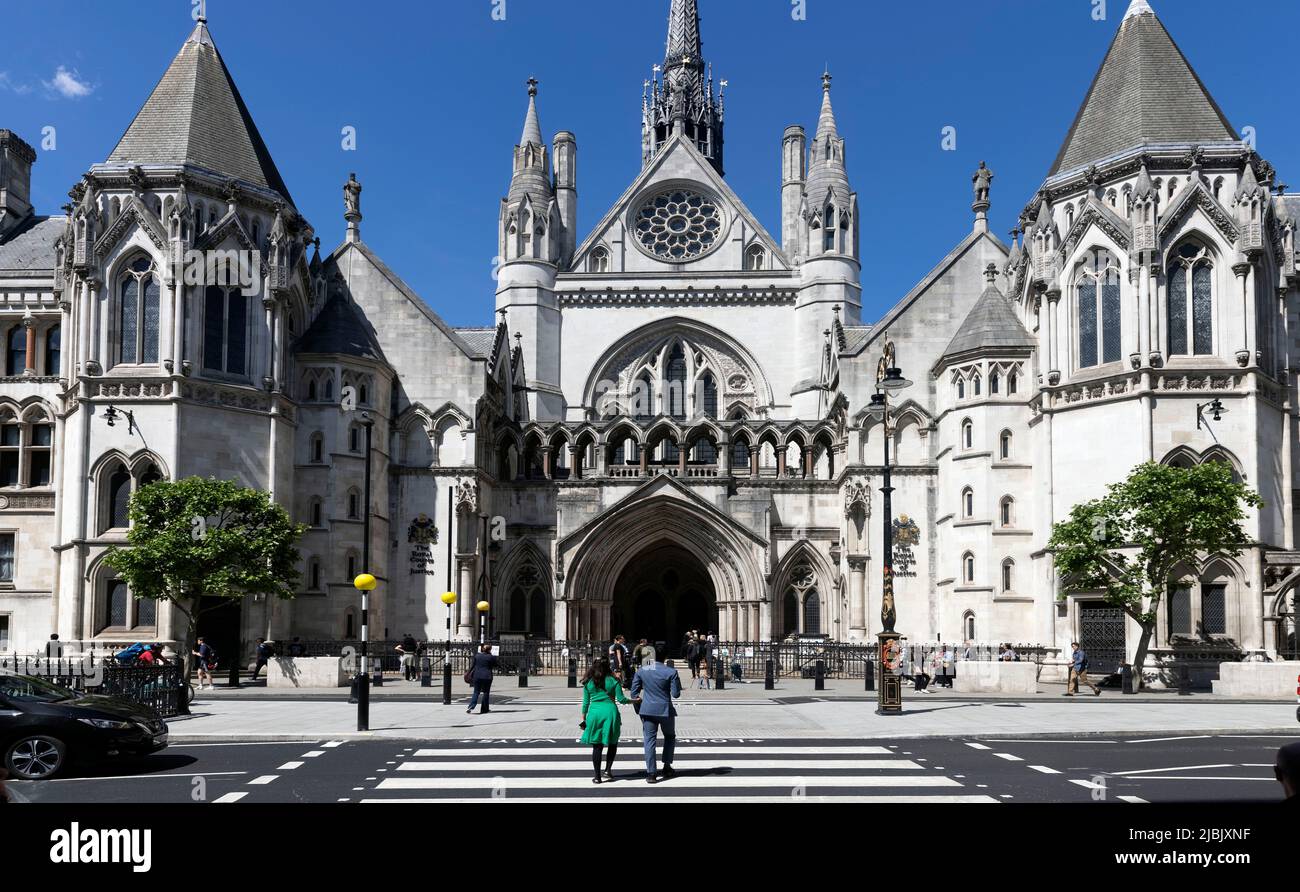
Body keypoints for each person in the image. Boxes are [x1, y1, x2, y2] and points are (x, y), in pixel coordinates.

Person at [630, 653, 682, 784]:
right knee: (670, 736)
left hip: (647, 710)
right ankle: (667, 766)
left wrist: (638, 707)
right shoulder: (671, 671)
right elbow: (676, 694)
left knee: (649, 741)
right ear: (664, 659)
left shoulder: (642, 670)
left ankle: (651, 773)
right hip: (665, 709)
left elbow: (633, 693)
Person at [580, 656, 632, 783]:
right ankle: (608, 770)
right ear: (608, 666)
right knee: (612, 742)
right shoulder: (614, 680)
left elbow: (585, 703)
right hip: (610, 713)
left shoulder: (588, 682)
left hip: (594, 714)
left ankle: (597, 777)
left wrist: (584, 719)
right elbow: (621, 699)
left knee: (597, 746)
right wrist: (635, 700)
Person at [466, 643, 498, 714]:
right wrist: (494, 657)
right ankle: (484, 709)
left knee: (476, 692)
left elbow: (473, 666)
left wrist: (468, 673)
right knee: (486, 692)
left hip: (477, 676)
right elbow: (496, 665)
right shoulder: (491, 657)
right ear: (490, 650)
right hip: (487, 676)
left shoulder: (477, 656)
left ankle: (471, 706)